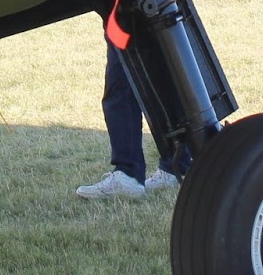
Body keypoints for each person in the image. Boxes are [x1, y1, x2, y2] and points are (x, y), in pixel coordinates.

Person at [75, 40, 190, 199]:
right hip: (130, 21)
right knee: (153, 81)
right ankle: (176, 166)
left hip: (125, 21)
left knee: (121, 89)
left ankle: (128, 174)